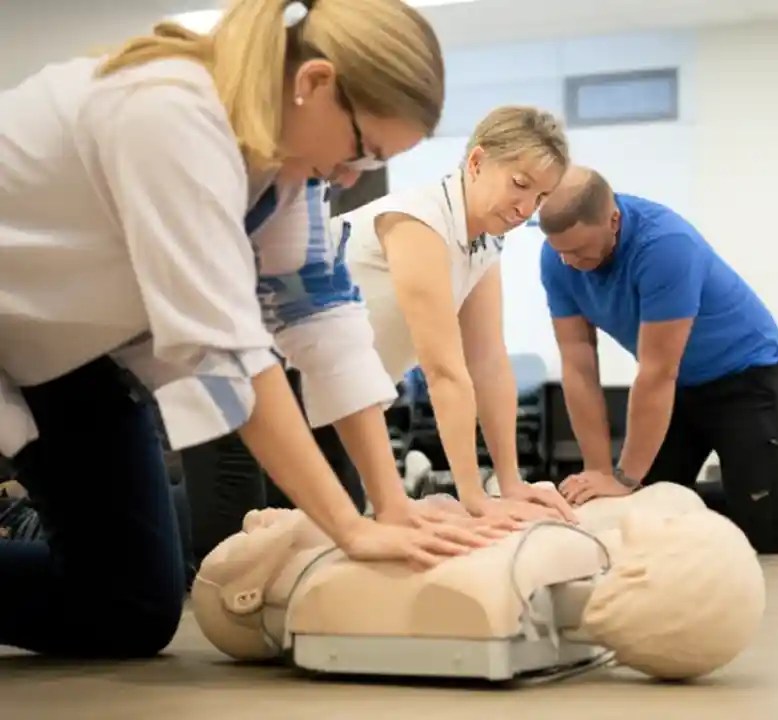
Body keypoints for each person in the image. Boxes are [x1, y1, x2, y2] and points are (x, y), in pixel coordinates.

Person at [0, 0, 495, 659]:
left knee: (129, 609)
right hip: (25, 320)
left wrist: (391, 505)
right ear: (314, 83)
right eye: (360, 150)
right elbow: (228, 352)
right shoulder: (168, 110)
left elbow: (327, 323)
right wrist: (349, 528)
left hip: (64, 349)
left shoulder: (284, 173)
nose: (350, 177)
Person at [535, 166, 778, 555]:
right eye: (561, 251)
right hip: (680, 386)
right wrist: (599, 471)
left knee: (767, 530)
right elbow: (579, 365)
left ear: (613, 220)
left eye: (580, 250)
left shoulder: (665, 246)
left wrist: (624, 476)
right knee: (645, 512)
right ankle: (750, 492)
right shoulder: (558, 258)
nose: (570, 262)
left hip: (744, 374)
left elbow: (657, 371)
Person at [341, 105, 577, 524]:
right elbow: (444, 370)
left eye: (540, 197)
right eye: (519, 185)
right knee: (243, 550)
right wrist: (473, 498)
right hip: (268, 386)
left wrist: (510, 484)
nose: (526, 208)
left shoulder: (484, 242)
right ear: (476, 161)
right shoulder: (419, 223)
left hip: (344, 407)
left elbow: (487, 362)